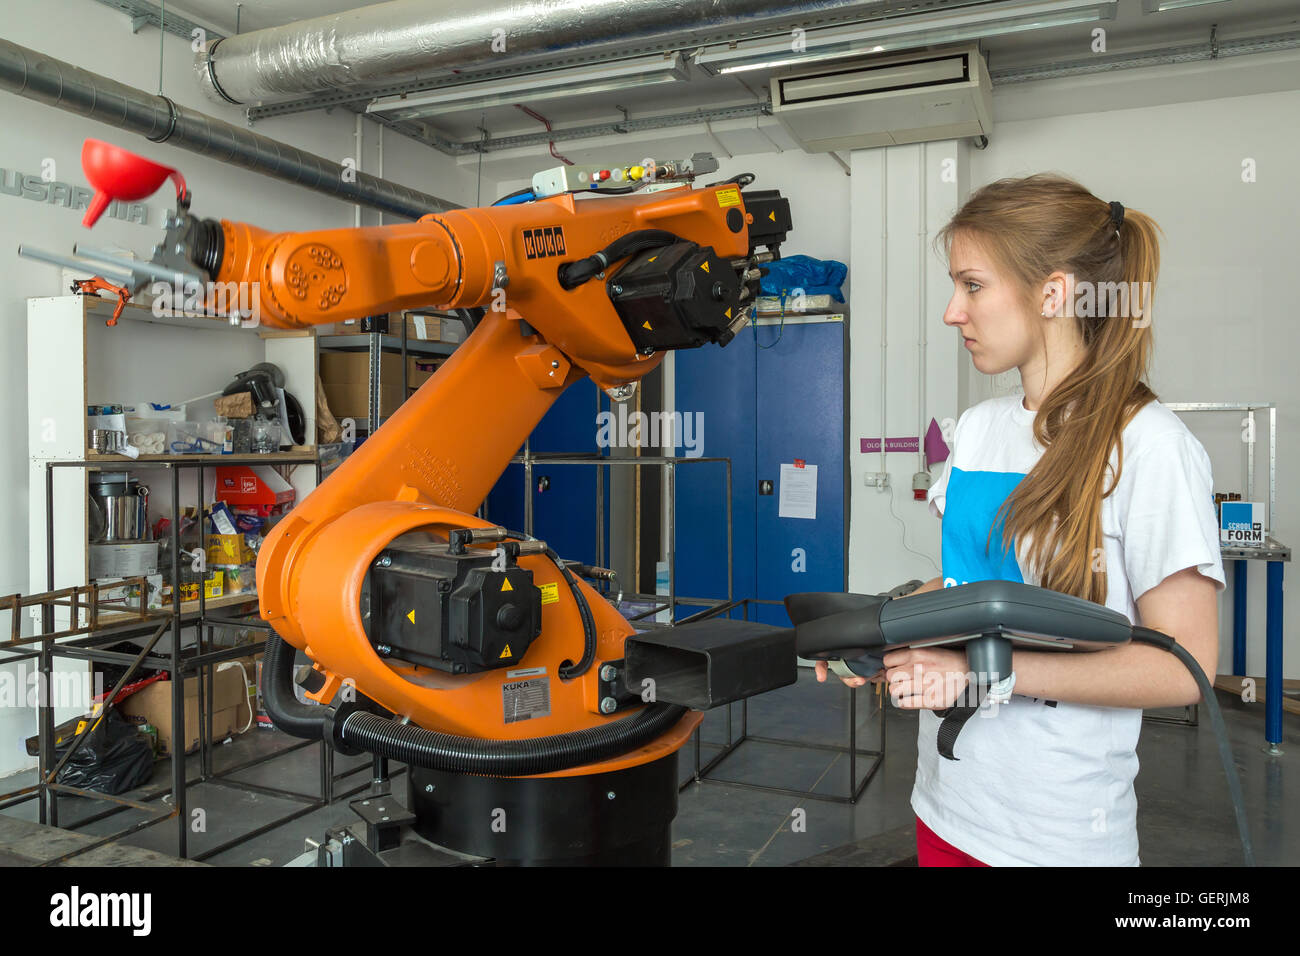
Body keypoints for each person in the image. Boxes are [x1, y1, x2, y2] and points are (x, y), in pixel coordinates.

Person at [817, 173, 1225, 866]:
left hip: (1054, 835)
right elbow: (965, 590)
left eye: (972, 285)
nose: (953, 312)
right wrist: (886, 631)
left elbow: (1184, 668)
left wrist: (990, 674)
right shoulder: (976, 431)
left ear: (1054, 292)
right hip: (946, 804)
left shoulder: (1152, 447)